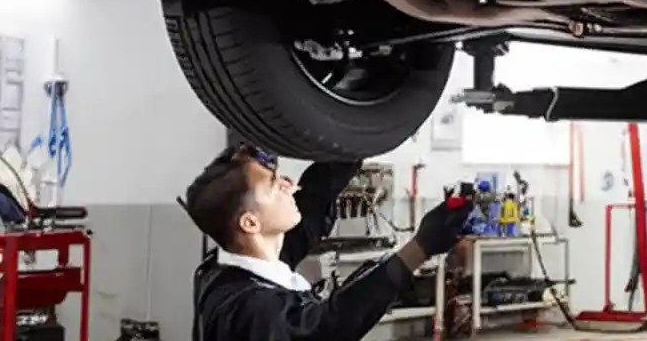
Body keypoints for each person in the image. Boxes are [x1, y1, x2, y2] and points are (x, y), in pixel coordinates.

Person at [180, 144, 473, 341]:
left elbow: (312, 204)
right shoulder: (250, 308)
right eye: (273, 184)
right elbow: (330, 324)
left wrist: (352, 137)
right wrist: (419, 248)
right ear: (250, 223)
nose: (287, 184)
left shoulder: (229, 265)